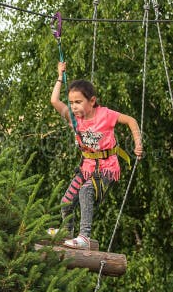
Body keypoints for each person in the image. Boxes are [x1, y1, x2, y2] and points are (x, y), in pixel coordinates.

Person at [50, 61, 143, 249]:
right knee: (66, 201)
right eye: (72, 103)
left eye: (78, 102)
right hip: (87, 168)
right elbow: (54, 101)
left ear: (92, 101)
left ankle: (84, 236)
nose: (74, 106)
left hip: (107, 168)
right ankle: (67, 233)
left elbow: (131, 121)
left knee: (86, 191)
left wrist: (138, 143)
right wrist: (60, 76)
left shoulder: (105, 114)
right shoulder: (74, 118)